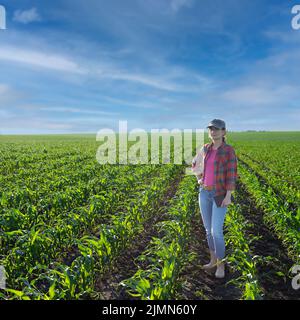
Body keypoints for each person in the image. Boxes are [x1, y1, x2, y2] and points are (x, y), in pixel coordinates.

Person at [191, 119, 237, 279]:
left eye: (217, 129)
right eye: (211, 129)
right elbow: (195, 164)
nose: (213, 131)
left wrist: (228, 195)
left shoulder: (228, 150)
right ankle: (212, 261)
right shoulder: (205, 148)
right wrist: (198, 177)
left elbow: (232, 174)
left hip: (219, 194)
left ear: (224, 132)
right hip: (204, 193)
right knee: (208, 231)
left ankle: (221, 264)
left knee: (216, 231)